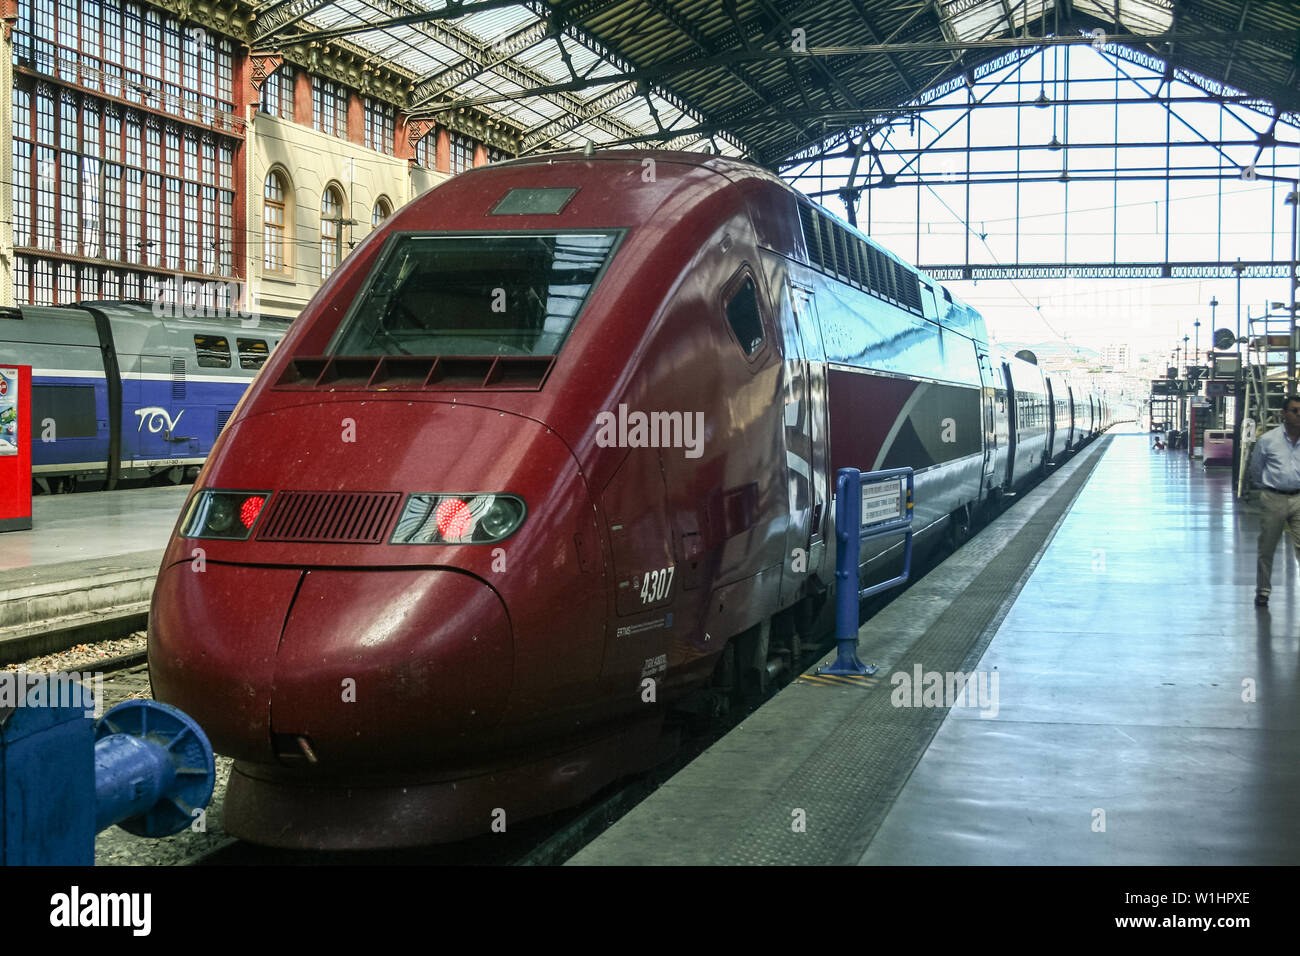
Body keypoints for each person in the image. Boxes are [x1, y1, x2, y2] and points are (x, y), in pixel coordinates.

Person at [1249, 394, 1300, 607]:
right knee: (1267, 547)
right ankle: (1263, 590)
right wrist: (1268, 489)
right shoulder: (1268, 440)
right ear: (1284, 414)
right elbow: (1256, 469)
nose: (1299, 415)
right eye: (1295, 411)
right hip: (1273, 497)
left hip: (1298, 498)